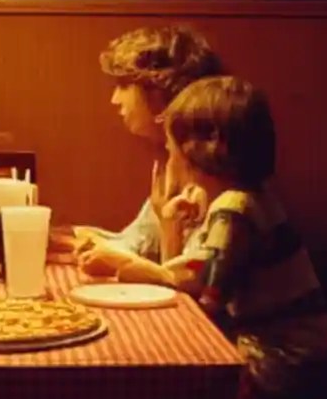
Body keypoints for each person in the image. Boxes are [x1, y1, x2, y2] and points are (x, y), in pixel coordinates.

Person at [116, 76, 327, 397]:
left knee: (167, 375)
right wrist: (169, 226)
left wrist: (148, 272)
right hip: (294, 358)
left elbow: (207, 304)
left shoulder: (234, 211)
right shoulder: (246, 199)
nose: (169, 156)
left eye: (171, 146)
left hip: (288, 362)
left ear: (198, 151)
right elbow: (196, 280)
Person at [64, 24, 220, 274]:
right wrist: (61, 237)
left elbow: (191, 276)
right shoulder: (170, 163)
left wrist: (120, 261)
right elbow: (138, 243)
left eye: (124, 86)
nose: (115, 99)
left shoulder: (211, 170)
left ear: (160, 93)